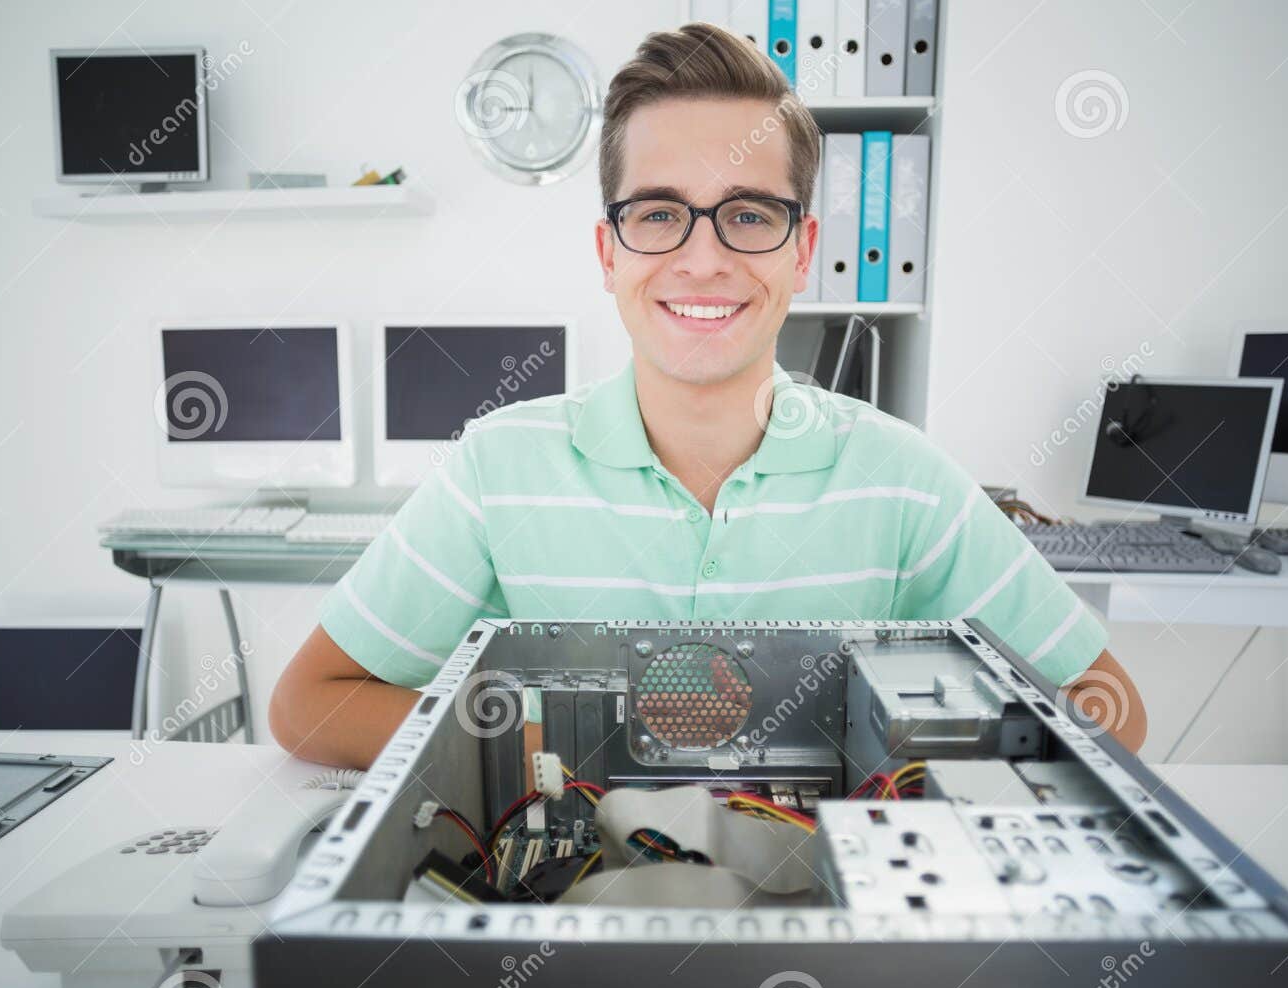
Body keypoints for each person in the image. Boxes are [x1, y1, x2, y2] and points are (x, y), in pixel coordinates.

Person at [270, 22, 1147, 769]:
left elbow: (1109, 704)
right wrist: (560, 746)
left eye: (749, 214)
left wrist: (899, 764)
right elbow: (309, 702)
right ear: (609, 251)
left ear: (802, 250)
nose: (702, 259)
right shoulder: (497, 468)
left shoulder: (902, 478)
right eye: (657, 212)